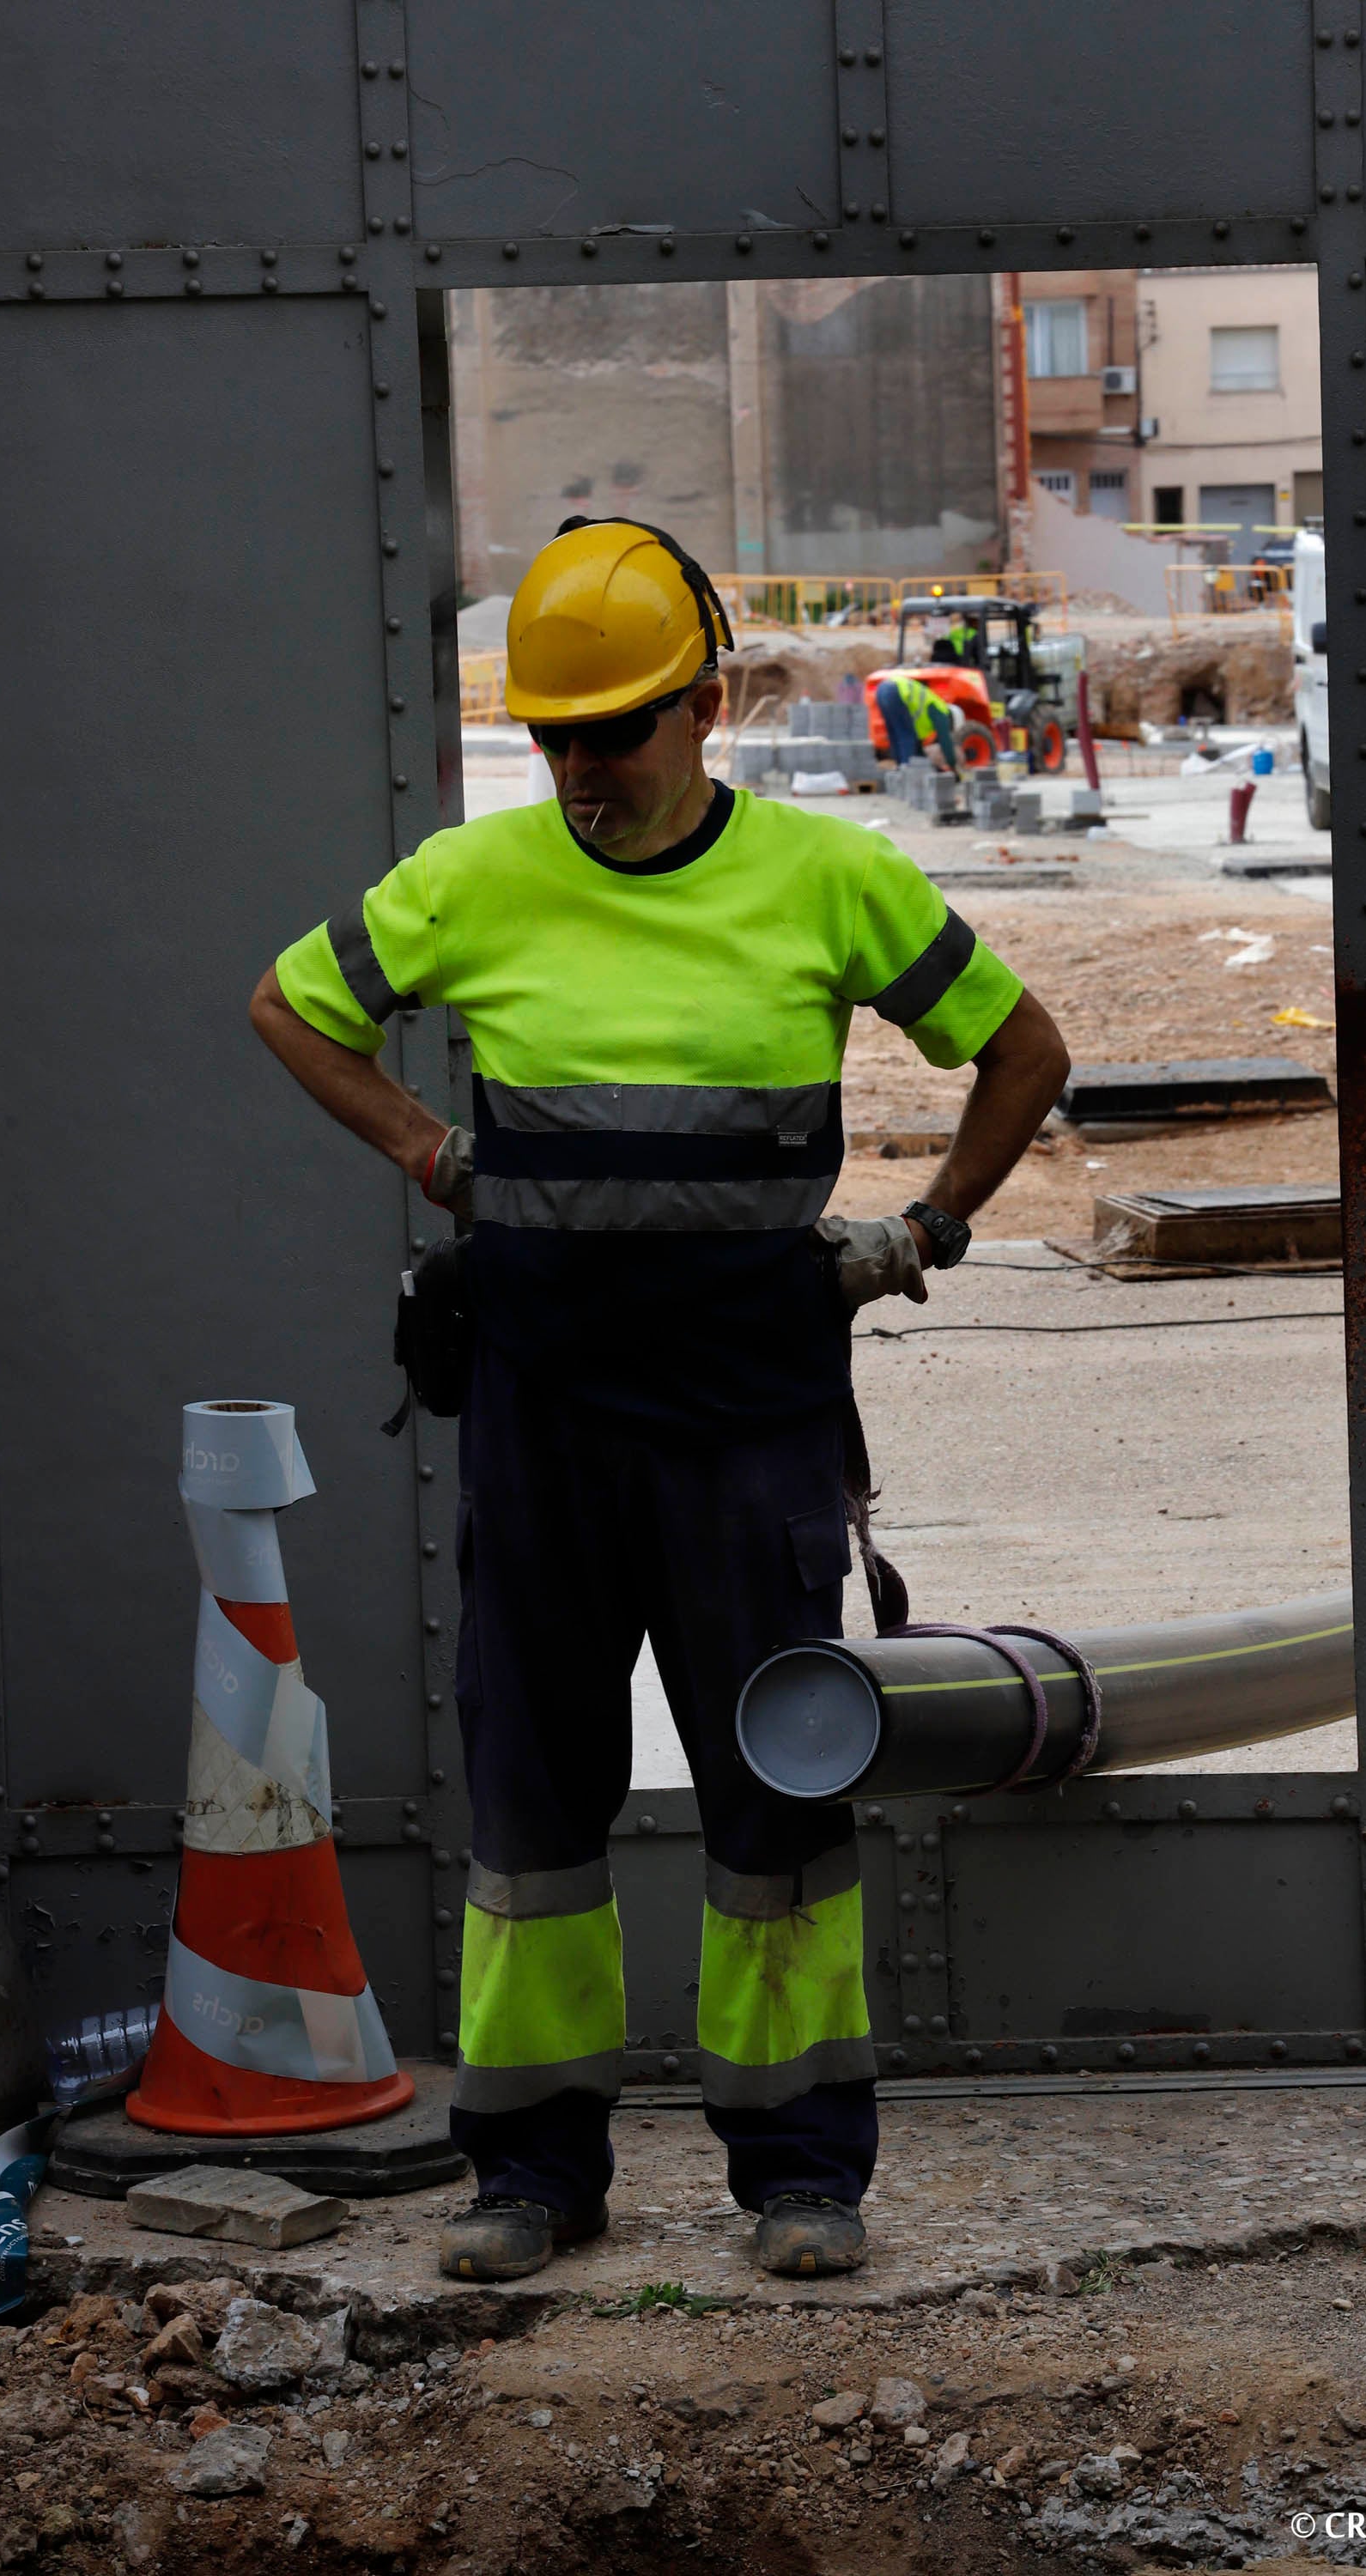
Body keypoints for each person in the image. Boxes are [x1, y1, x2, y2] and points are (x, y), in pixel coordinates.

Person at [250, 516, 1069, 2287]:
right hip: (541, 1425)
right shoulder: (472, 883)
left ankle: (799, 2170)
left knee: (776, 1801)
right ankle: (531, 2174)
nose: (578, 768)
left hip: (752, 1427)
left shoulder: (827, 880)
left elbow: (1023, 1049)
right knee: (534, 1803)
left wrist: (918, 1234)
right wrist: (424, 1145)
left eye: (610, 730)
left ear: (704, 703)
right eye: (549, 735)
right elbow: (293, 1004)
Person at [875, 666, 960, 775]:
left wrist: (934, 769)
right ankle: (906, 770)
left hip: (881, 690)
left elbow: (917, 749)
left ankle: (900, 766)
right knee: (905, 734)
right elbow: (946, 741)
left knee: (895, 734)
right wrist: (953, 767)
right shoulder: (942, 712)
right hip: (896, 690)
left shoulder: (925, 720)